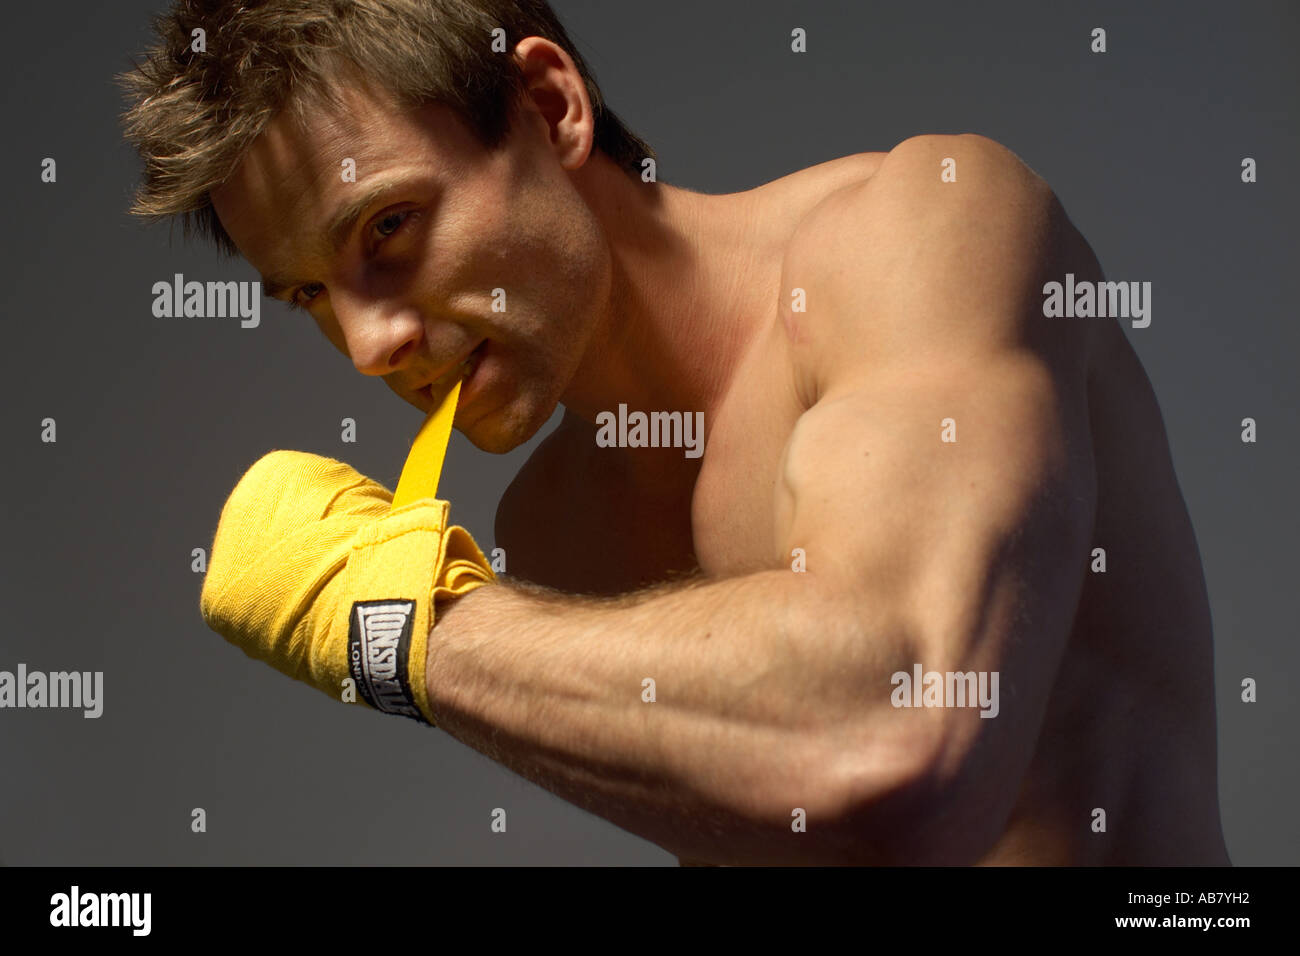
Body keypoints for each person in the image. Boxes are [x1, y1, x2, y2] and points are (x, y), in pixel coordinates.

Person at [119, 0, 1231, 865]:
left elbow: (901, 740)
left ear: (551, 107)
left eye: (388, 227)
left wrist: (401, 626)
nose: (368, 344)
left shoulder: (920, 230)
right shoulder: (557, 527)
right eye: (310, 294)